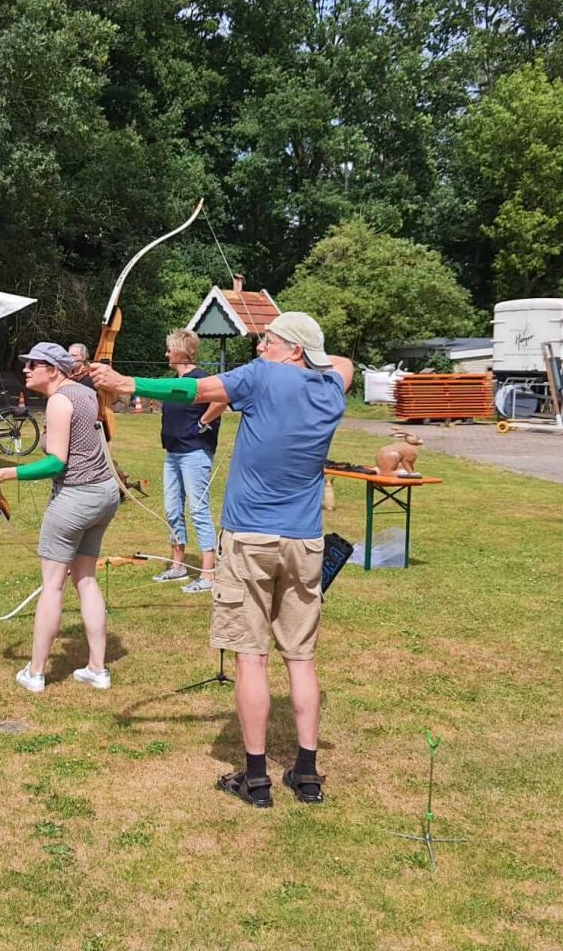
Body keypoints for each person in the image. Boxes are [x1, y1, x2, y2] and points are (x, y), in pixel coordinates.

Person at [90, 312, 353, 809]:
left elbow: (194, 392)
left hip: (251, 538)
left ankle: (256, 779)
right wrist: (306, 356)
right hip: (305, 543)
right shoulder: (331, 389)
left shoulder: (261, 376)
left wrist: (126, 382)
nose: (259, 348)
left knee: (250, 656)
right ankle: (308, 774)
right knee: (300, 658)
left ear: (294, 349)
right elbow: (344, 363)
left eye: (268, 341)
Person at [0, 342, 121, 693]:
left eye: (34, 365)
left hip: (77, 498)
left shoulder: (60, 400)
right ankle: (97, 669)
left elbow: (57, 461)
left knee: (53, 584)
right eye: (26, 364)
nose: (26, 370)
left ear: (54, 370)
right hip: (104, 495)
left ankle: (36, 672)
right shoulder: (84, 392)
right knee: (86, 579)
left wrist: (5, 475)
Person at [152, 329, 224, 594]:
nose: (166, 354)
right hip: (172, 454)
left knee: (198, 510)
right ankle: (178, 566)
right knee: (172, 509)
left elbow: (222, 400)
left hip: (194, 453)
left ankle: (208, 574)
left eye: (170, 349)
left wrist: (203, 422)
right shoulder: (176, 381)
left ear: (180, 352)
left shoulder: (202, 380)